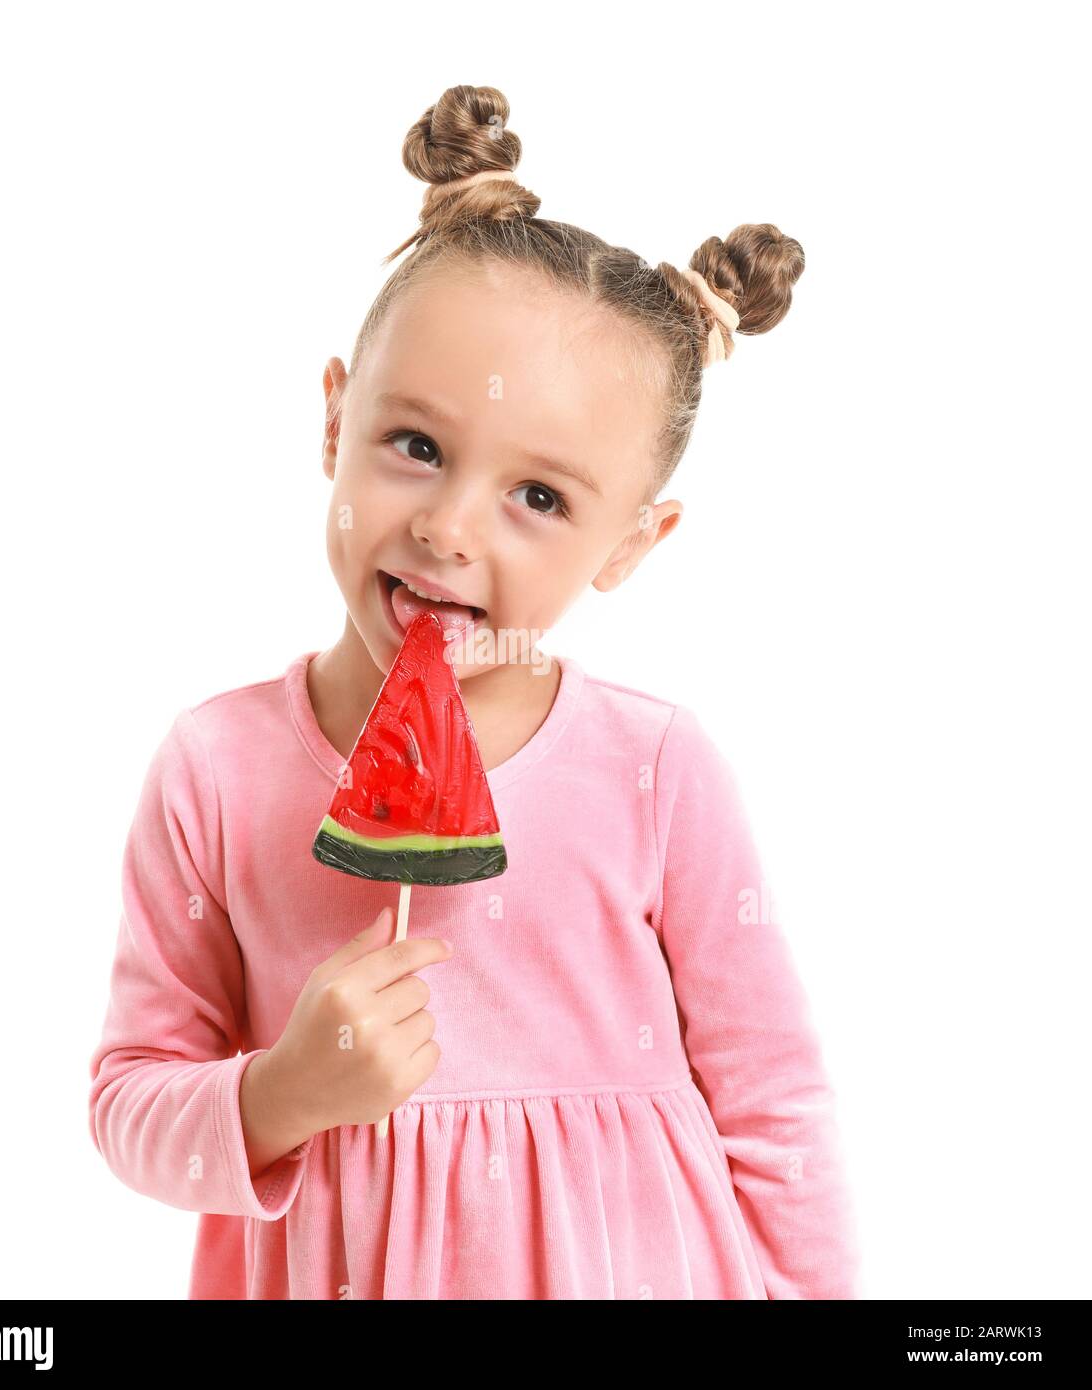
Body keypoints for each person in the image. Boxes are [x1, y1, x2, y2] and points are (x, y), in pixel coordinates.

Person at [88, 82, 862, 1300]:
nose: (447, 527)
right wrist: (282, 1090)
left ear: (630, 544)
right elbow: (129, 1096)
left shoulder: (655, 767)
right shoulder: (216, 764)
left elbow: (775, 1102)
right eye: (416, 446)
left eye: (539, 497)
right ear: (335, 418)